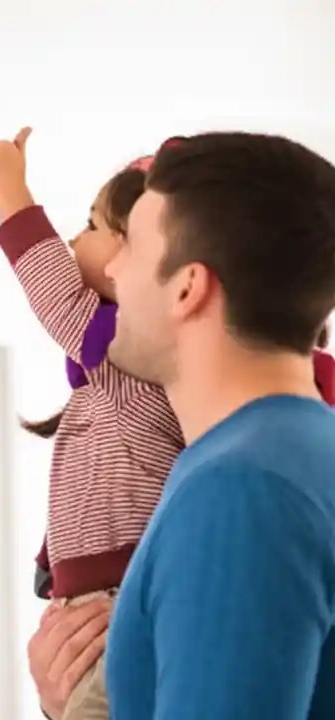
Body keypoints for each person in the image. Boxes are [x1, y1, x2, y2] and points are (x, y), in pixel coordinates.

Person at [74, 131, 335, 717]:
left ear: (188, 287)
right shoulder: (295, 455)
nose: (111, 268)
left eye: (132, 247)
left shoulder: (242, 488)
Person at [0, 131, 186, 719]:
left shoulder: (132, 361)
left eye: (90, 227)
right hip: (95, 607)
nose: (73, 241)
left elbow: (59, 298)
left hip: (116, 604)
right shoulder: (111, 383)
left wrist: (11, 193)